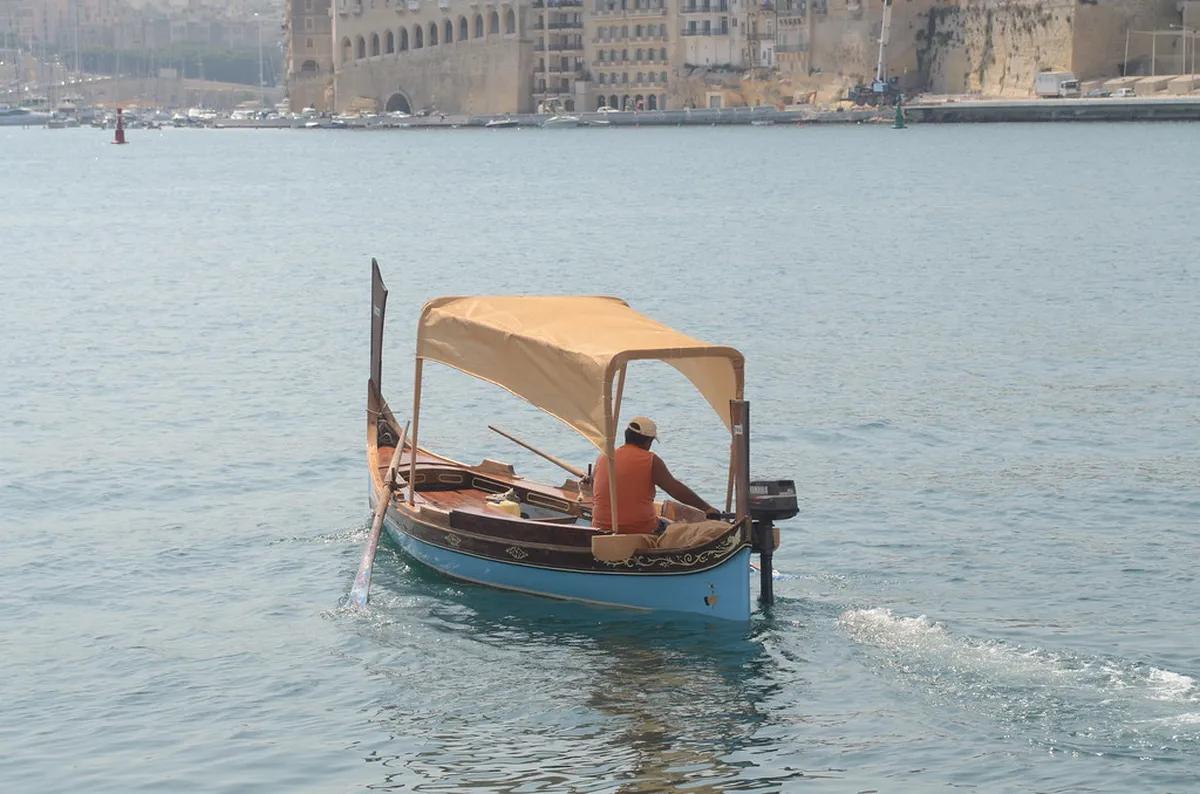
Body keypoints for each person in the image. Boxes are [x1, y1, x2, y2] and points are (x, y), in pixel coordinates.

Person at [591, 416, 721, 534]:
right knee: (669, 525)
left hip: (600, 527)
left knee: (661, 520)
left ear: (627, 436)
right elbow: (675, 489)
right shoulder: (650, 460)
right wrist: (707, 508)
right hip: (639, 528)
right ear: (648, 441)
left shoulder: (604, 457)